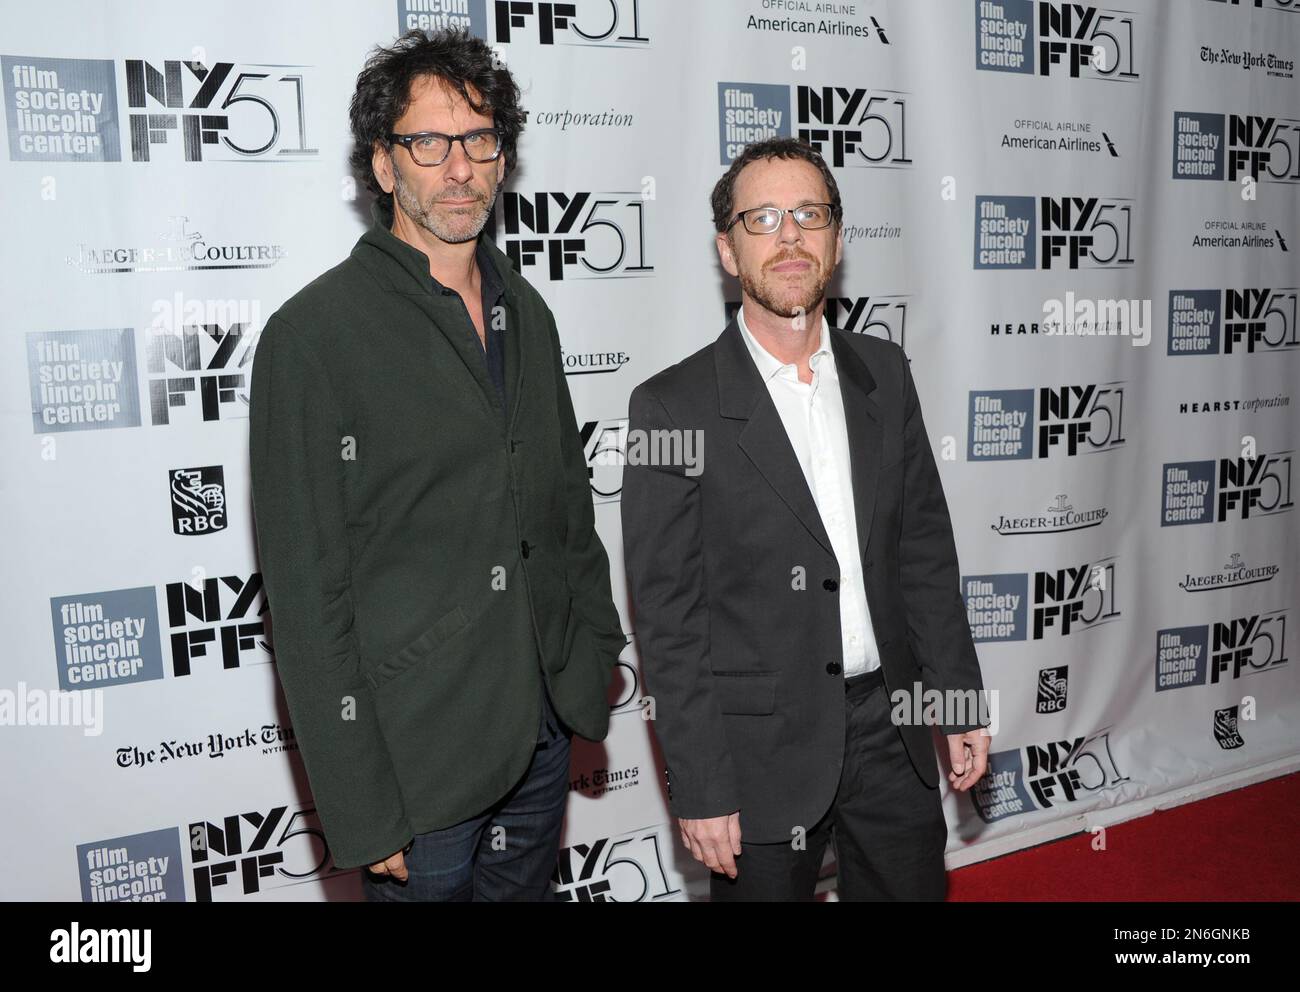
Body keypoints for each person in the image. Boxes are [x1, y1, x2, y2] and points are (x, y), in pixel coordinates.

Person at [248, 27, 624, 902]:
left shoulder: (526, 309)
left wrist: (592, 650)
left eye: (480, 139)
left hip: (538, 739)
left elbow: (566, 508)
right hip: (417, 769)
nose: (458, 167)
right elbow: (306, 600)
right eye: (428, 142)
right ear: (384, 166)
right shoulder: (314, 338)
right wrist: (361, 805)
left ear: (503, 158)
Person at [621, 137, 990, 901]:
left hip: (894, 733)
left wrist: (954, 698)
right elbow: (668, 615)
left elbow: (922, 551)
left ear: (838, 238)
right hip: (758, 753)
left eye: (808, 214)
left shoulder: (884, 374)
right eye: (762, 219)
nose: (789, 236)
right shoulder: (669, 407)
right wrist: (699, 783)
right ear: (728, 250)